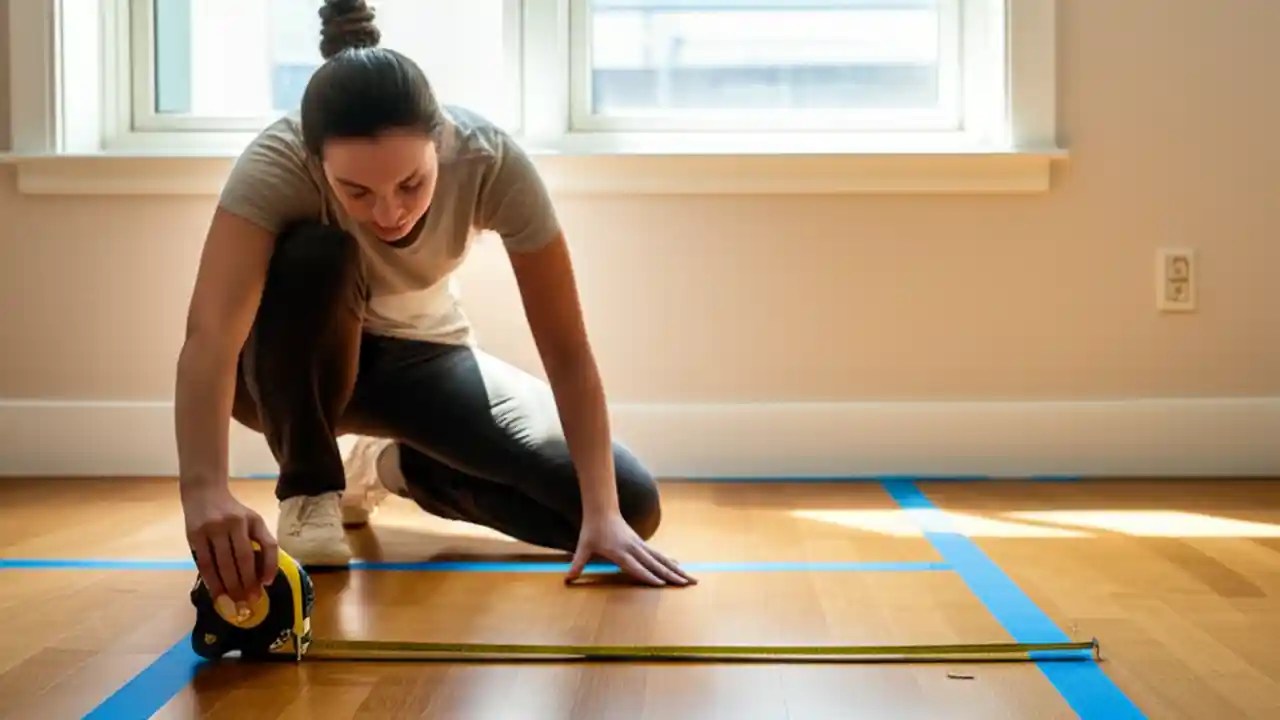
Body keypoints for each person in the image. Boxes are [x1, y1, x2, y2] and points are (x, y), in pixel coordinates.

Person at [175, 0, 694, 617]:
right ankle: (312, 486)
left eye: (411, 183)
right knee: (316, 256)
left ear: (440, 140)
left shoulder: (488, 160)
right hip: (280, 373)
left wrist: (604, 514)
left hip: (423, 359)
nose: (389, 213)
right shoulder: (276, 163)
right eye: (357, 192)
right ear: (317, 161)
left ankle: (388, 467)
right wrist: (204, 491)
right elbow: (210, 338)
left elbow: (567, 350)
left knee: (632, 504)